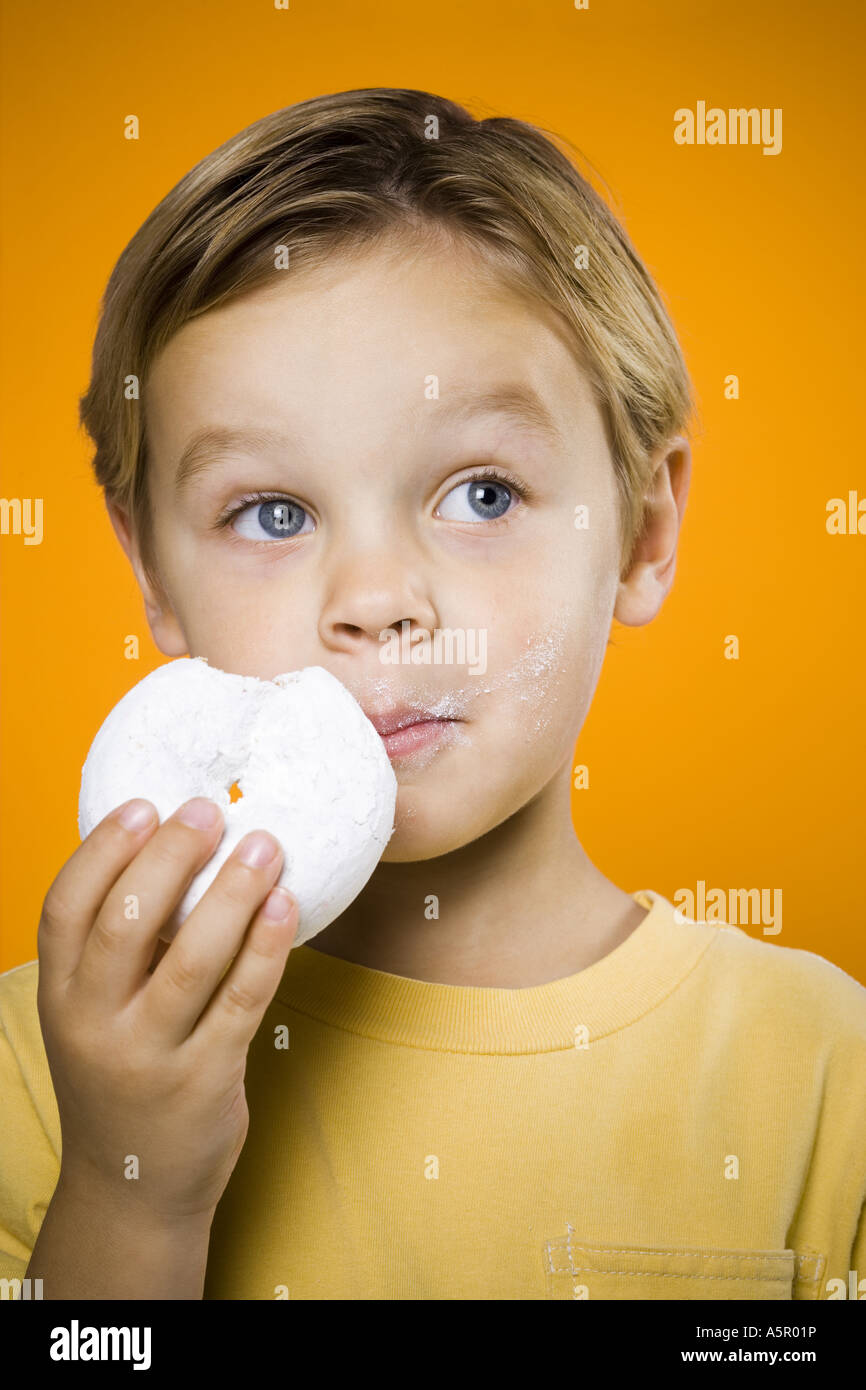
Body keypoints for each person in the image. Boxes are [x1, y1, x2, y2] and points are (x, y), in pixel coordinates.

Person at [1, 88, 864, 1301]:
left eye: (481, 493)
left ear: (642, 529)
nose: (374, 599)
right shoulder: (48, 1066)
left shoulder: (826, 1075)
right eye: (273, 513)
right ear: (153, 572)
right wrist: (131, 1186)